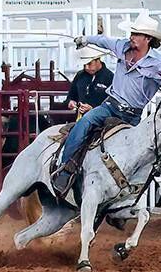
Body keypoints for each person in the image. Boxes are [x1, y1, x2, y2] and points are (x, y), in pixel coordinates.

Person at [53, 12, 161, 193]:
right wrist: (86, 39)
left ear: (148, 38)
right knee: (85, 122)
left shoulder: (157, 64)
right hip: (110, 106)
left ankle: (133, 190)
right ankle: (65, 169)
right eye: (132, 33)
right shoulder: (122, 46)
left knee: (147, 150)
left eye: (136, 34)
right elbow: (103, 41)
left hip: (132, 116)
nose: (131, 37)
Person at [65, 45, 114, 118]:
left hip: (101, 119)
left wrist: (93, 108)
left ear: (98, 60)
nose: (86, 67)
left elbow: (112, 103)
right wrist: (71, 102)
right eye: (84, 64)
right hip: (80, 117)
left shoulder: (110, 77)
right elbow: (71, 95)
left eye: (89, 63)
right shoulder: (80, 75)